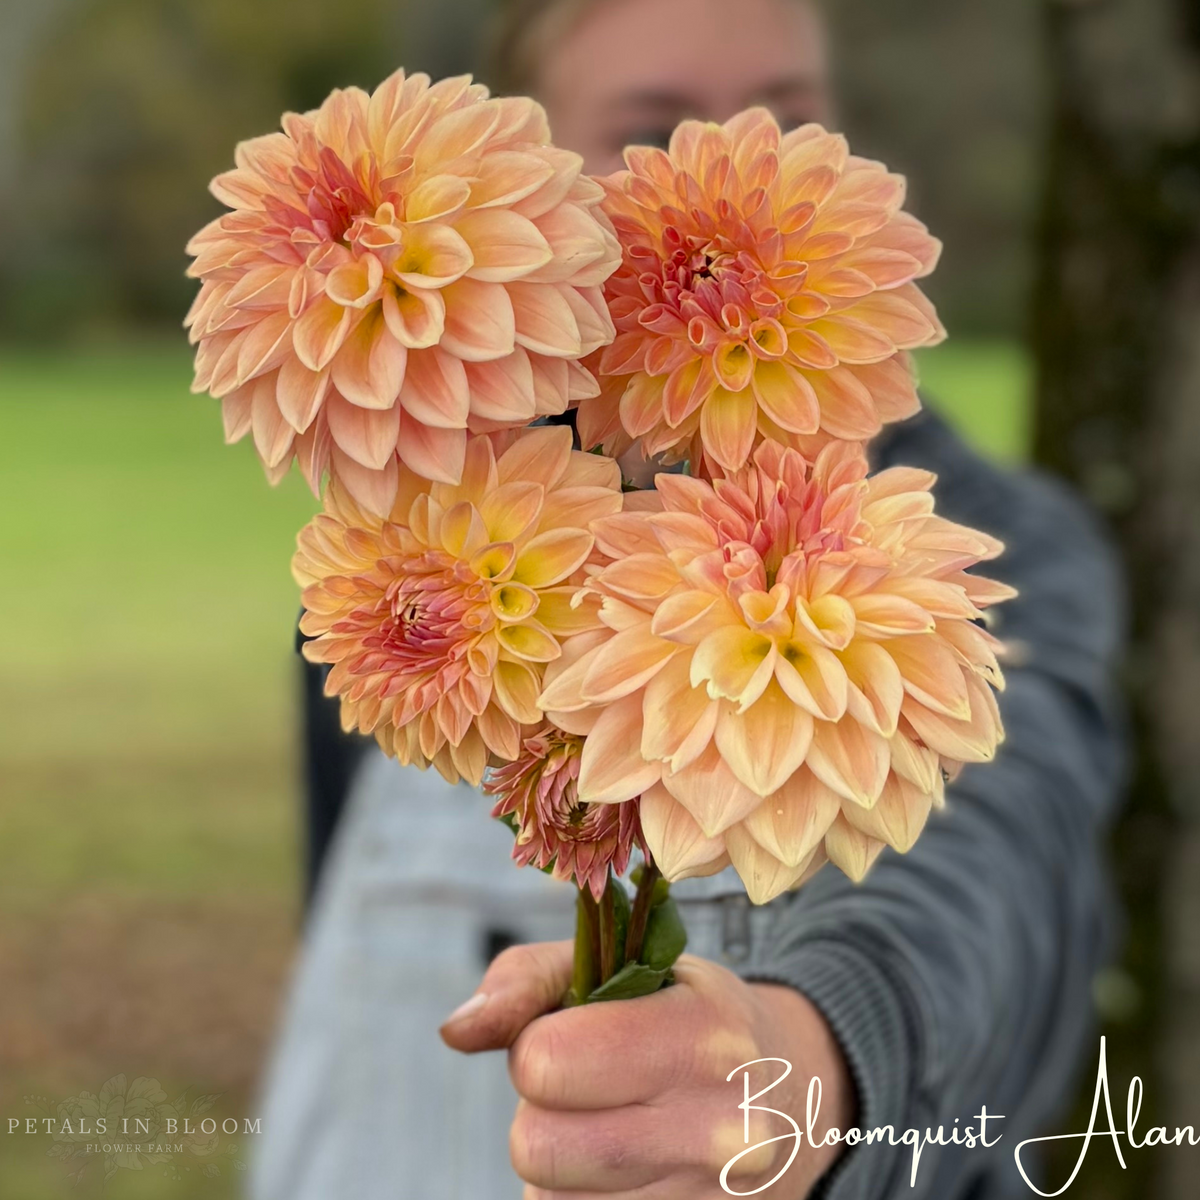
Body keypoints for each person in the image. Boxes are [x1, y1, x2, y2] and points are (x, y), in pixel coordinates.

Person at [252, 1, 1127, 1197]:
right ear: (530, 187)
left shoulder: (998, 542)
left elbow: (1001, 873)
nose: (728, 155)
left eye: (793, 111)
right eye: (647, 125)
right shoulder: (401, 551)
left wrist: (804, 1069)